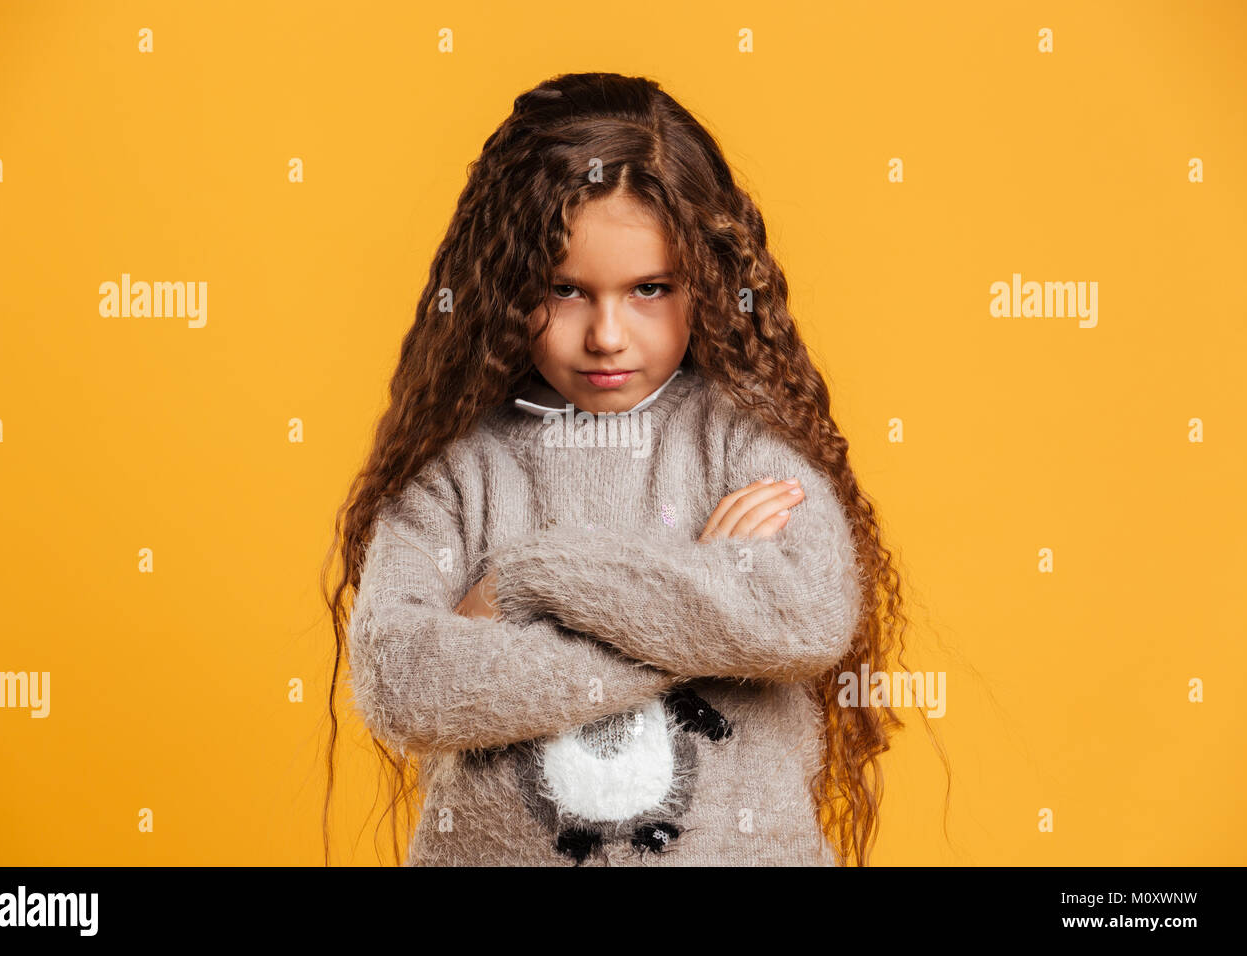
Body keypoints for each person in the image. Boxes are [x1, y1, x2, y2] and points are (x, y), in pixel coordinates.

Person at [322, 71, 927, 866]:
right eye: (566, 291)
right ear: (505, 289)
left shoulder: (740, 439)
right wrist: (705, 602)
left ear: (705, 280)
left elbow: (804, 612)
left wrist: (525, 586)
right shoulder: (459, 469)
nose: (607, 335)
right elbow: (403, 681)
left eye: (649, 289)